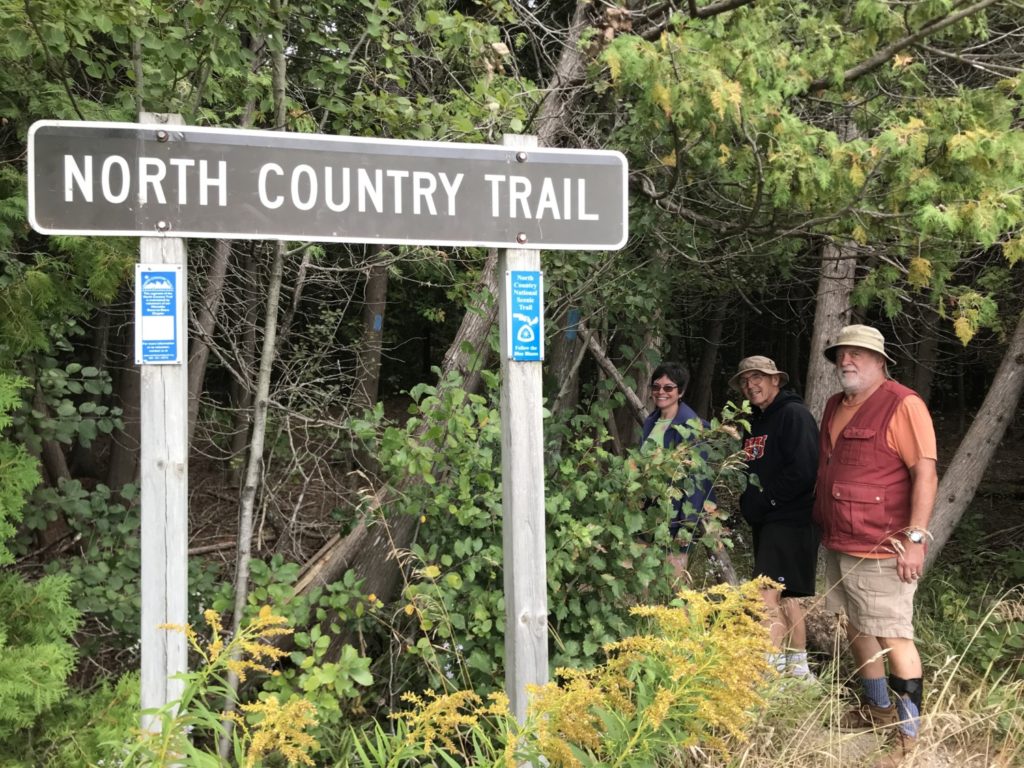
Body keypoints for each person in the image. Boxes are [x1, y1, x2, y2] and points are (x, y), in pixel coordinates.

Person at [812, 325, 938, 768]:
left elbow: (925, 473)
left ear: (881, 360)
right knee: (857, 628)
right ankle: (877, 709)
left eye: (858, 354)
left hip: (885, 547)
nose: (848, 361)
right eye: (842, 354)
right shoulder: (834, 405)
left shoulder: (903, 404)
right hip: (841, 539)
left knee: (894, 637)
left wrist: (916, 539)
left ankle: (906, 740)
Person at [729, 356, 819, 679]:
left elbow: (805, 470)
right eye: (745, 381)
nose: (751, 385)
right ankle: (798, 671)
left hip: (790, 518)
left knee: (764, 592)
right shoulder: (756, 421)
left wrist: (766, 499)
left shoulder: (793, 415)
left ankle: (767, 674)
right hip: (768, 521)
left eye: (758, 378)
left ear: (775, 380)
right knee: (786, 594)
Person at [639, 361, 715, 581]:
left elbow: (698, 479)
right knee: (643, 581)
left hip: (675, 516)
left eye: (668, 387)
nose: (661, 392)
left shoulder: (692, 426)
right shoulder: (651, 422)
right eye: (656, 387)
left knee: (673, 584)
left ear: (680, 391)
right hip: (646, 512)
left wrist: (687, 524)